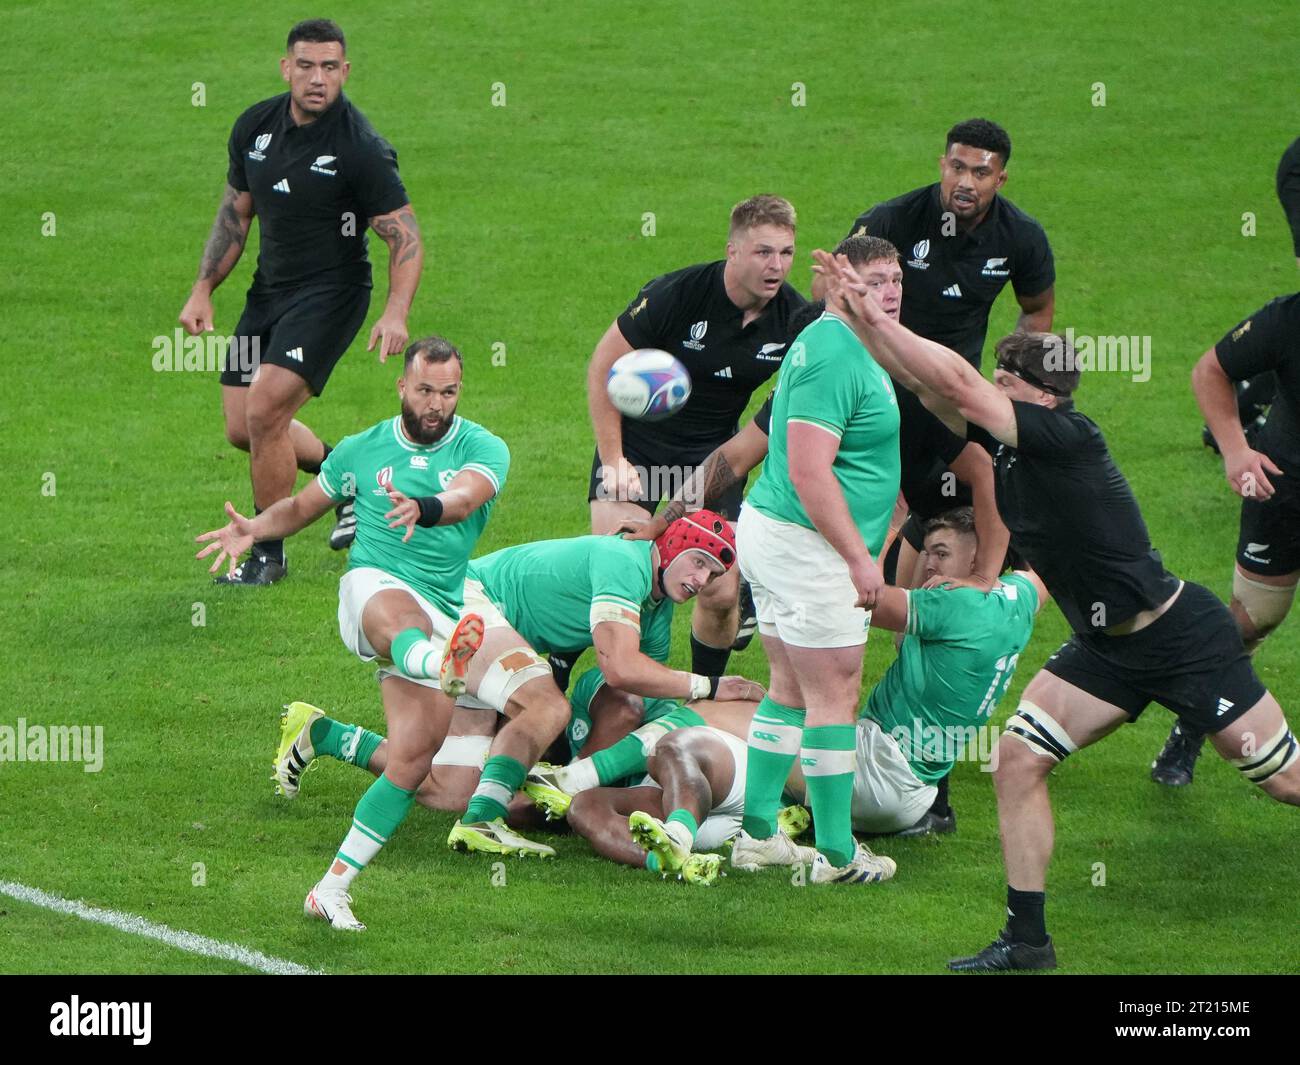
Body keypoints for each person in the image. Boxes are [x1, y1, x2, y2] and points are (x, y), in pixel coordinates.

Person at [817, 248, 1300, 972]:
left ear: (1043, 395)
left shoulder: (1067, 436)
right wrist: (863, 314)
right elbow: (929, 382)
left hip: (1178, 636)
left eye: (1007, 382)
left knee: (1285, 781)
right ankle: (1028, 940)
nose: (993, 390)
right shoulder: (1012, 439)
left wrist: (877, 315)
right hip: (1105, 648)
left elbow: (954, 379)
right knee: (1016, 761)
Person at [196, 336, 507, 932]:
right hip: (375, 585)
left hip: (443, 603)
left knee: (414, 762)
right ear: (402, 387)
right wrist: (254, 529)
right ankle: (437, 659)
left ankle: (331, 888)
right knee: (402, 622)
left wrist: (427, 507)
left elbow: (467, 497)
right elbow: (304, 507)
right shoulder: (363, 450)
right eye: (425, 390)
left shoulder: (483, 446)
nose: (436, 403)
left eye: (448, 391)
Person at [179, 18, 424, 584]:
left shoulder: (361, 149)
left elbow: (404, 237)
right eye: (307, 65)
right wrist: (202, 288)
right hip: (268, 294)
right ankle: (350, 478)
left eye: (330, 67)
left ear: (346, 71)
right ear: (286, 67)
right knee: (242, 429)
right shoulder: (254, 128)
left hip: (332, 297)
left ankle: (267, 554)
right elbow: (235, 215)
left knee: (266, 410)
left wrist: (396, 312)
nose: (318, 78)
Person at [729, 234, 902, 886]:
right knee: (835, 696)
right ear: (838, 284)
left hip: (780, 538)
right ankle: (837, 853)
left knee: (791, 689)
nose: (887, 292)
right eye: (873, 280)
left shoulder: (851, 341)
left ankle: (758, 836)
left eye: (895, 280)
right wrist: (860, 558)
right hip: (811, 549)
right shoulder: (834, 353)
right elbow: (808, 470)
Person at [581, 195, 807, 682]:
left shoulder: (793, 320)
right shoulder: (677, 294)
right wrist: (614, 458)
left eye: (786, 253)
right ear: (733, 250)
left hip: (716, 456)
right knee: (621, 572)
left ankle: (708, 690)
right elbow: (603, 366)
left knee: (722, 594)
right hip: (637, 449)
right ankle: (606, 688)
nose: (777, 266)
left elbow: (782, 418)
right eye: (764, 252)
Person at [1152, 292, 1300, 785]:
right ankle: (1192, 725)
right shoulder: (1288, 318)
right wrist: (1236, 451)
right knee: (1254, 619)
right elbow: (1210, 370)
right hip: (1285, 490)